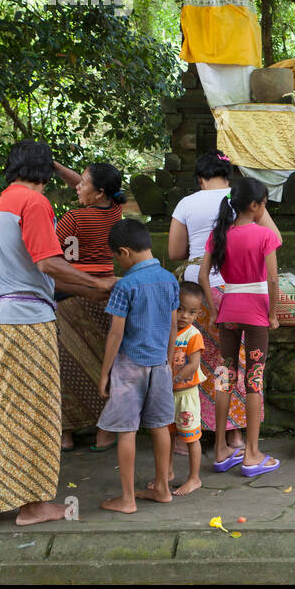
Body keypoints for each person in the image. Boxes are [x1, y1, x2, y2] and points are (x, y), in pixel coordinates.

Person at [0, 140, 115, 528]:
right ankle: (33, 506)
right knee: (35, 413)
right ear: (46, 171)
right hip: (24, 322)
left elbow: (33, 270)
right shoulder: (34, 203)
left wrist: (95, 287)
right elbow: (48, 264)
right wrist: (102, 286)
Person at [169, 151, 278, 450]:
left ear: (200, 178)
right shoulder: (243, 197)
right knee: (244, 366)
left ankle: (187, 435)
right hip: (239, 294)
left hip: (195, 293)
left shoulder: (187, 203)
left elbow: (175, 251)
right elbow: (272, 238)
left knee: (196, 361)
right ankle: (236, 435)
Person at [199, 176, 281, 477]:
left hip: (229, 309)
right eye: (264, 204)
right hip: (257, 310)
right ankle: (252, 454)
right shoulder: (264, 236)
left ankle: (220, 449)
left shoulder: (220, 233)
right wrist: (273, 314)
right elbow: (272, 279)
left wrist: (213, 305)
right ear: (256, 205)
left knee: (224, 377)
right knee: (254, 380)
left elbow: (203, 276)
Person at [98, 219, 179, 513]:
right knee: (159, 425)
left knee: (127, 431)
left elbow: (116, 333)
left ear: (124, 252)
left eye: (115, 257)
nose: (117, 264)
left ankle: (128, 499)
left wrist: (104, 373)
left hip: (129, 367)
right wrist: (168, 361)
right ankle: (163, 488)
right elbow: (172, 327)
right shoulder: (169, 279)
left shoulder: (126, 285)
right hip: (160, 363)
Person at [52, 161, 127, 451]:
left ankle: (64, 433)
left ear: (98, 193)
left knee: (66, 368)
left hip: (72, 298)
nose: (77, 186)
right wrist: (58, 167)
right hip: (108, 298)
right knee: (104, 366)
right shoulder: (116, 213)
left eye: (84, 183)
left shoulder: (72, 219)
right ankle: (104, 432)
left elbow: (53, 259)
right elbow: (83, 186)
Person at [162, 282, 207, 495]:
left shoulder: (193, 335)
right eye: (180, 309)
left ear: (198, 314)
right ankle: (167, 473)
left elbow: (193, 364)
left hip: (186, 394)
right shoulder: (166, 330)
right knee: (167, 435)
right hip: (168, 392)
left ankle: (194, 478)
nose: (184, 316)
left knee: (191, 437)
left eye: (191, 312)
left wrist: (177, 377)